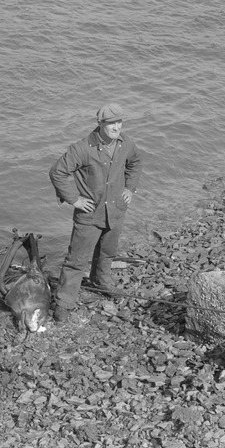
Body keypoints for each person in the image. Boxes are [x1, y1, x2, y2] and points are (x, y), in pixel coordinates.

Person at [48, 104, 143, 323]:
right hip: (89, 215)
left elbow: (135, 164)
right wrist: (74, 199)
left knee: (107, 252)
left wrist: (129, 188)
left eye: (119, 122)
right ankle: (64, 302)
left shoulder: (126, 144)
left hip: (116, 211)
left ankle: (101, 282)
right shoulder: (81, 148)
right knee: (76, 261)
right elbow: (58, 172)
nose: (116, 127)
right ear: (100, 124)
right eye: (111, 123)